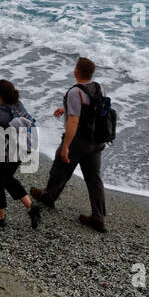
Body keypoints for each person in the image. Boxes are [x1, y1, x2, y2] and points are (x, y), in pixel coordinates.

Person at [30, 57, 108, 231]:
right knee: (94, 179)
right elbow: (94, 108)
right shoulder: (99, 88)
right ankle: (99, 217)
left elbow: (73, 122)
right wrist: (67, 108)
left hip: (79, 141)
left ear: (76, 72)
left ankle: (48, 197)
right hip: (97, 141)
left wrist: (66, 145)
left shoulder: (74, 93)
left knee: (60, 166)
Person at [0, 79, 41, 229]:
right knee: (7, 179)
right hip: (21, 150)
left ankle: (0, 216)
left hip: (2, 152)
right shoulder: (19, 105)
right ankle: (31, 207)